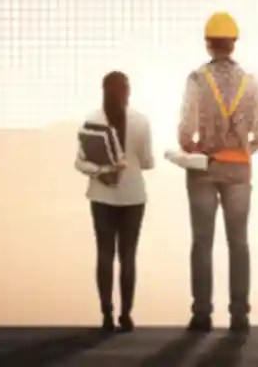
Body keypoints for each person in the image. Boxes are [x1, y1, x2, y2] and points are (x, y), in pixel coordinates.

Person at [177, 11, 258, 333]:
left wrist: (191, 147)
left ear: (208, 44)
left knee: (202, 242)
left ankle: (201, 315)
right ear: (233, 44)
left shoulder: (196, 79)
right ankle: (239, 316)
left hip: (204, 168)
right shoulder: (252, 83)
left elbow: (186, 131)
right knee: (238, 242)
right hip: (239, 171)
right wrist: (246, 151)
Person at [74, 71, 154, 333]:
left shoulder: (91, 121)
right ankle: (126, 315)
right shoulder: (141, 122)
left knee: (104, 254)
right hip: (132, 197)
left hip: (101, 197)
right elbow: (147, 162)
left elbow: (79, 162)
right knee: (128, 256)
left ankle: (106, 315)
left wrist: (101, 170)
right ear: (127, 92)